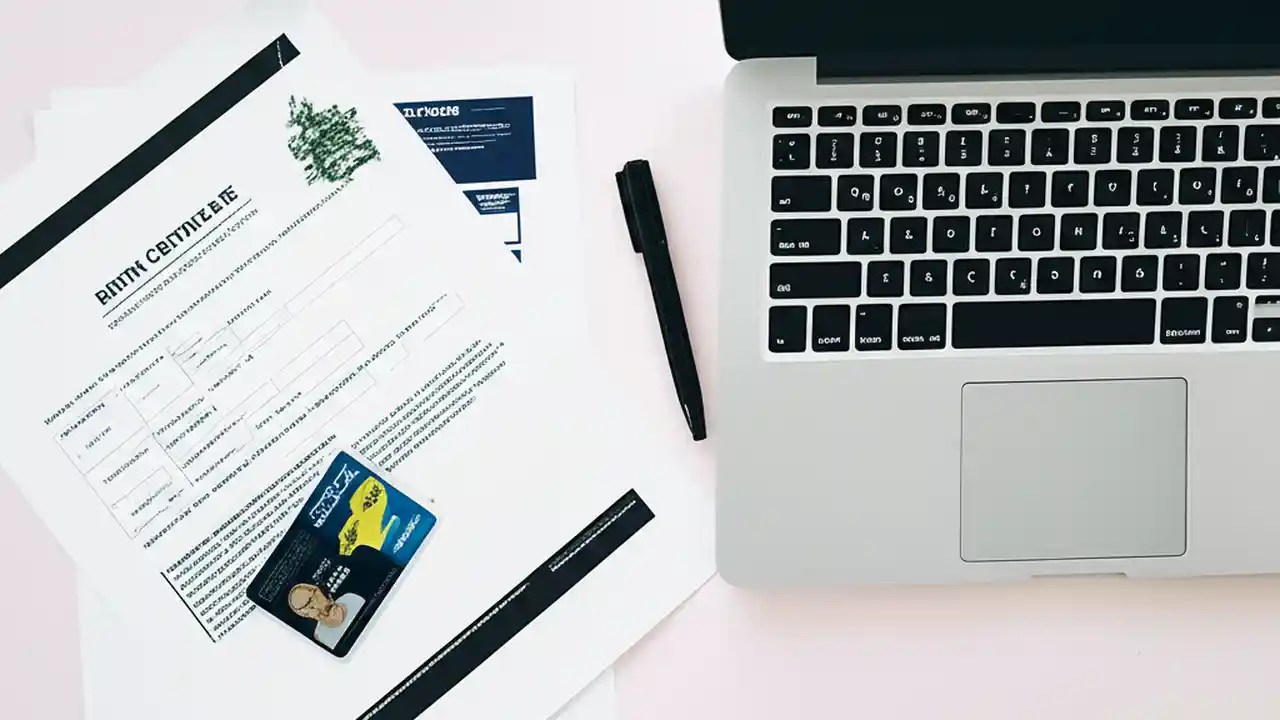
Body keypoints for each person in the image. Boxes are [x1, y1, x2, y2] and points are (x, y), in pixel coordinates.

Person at [286, 582, 366, 650]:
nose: (315, 603)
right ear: (304, 614)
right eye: (308, 604)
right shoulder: (321, 637)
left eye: (314, 592)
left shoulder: (350, 597)